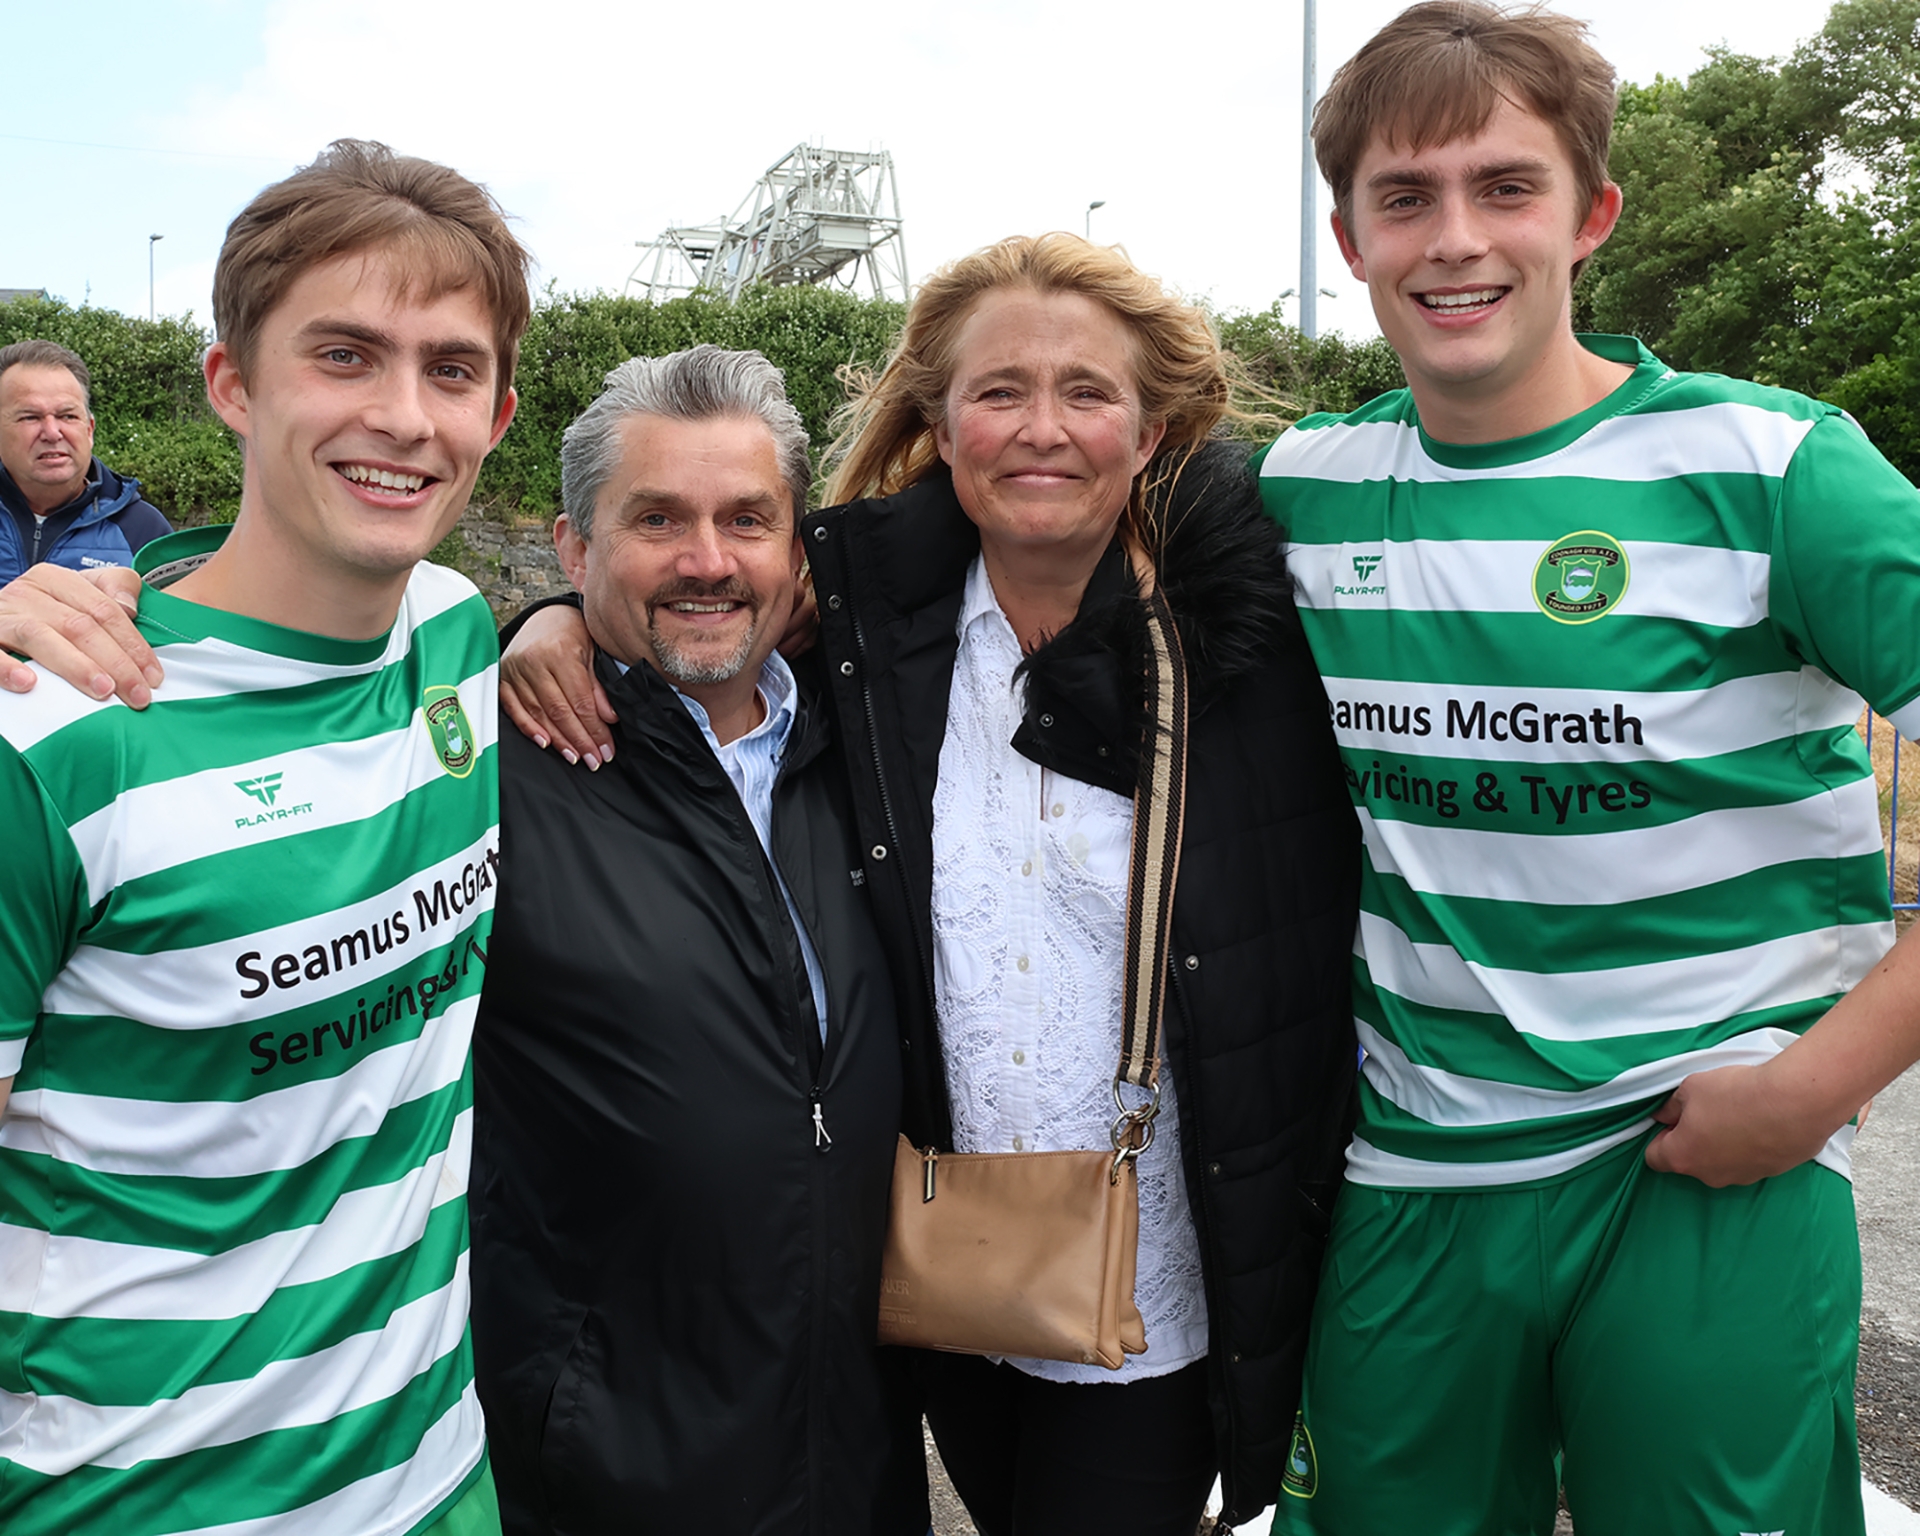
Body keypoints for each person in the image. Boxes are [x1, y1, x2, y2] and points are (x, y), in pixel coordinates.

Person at [499, 234, 1361, 1534]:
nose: (1041, 427)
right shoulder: (868, 640)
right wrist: (545, 623)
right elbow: (686, 620)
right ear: (942, 426)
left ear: (1150, 428)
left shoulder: (1259, 644)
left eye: (1086, 391)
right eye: (999, 390)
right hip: (940, 1273)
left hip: (1151, 1276)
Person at [1256, 5, 1920, 1534]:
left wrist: (1814, 1089)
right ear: (1349, 240)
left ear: (1592, 214)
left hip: (1707, 1169)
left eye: (1506, 186)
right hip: (1415, 1172)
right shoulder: (1301, 491)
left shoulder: (1775, 468)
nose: (1454, 238)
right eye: (1405, 197)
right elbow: (1022, 543)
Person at [0, 140, 526, 1535]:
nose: (403, 417)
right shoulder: (51, 731)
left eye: (451, 370)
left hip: (435, 1486)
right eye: (344, 355)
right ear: (233, 384)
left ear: (497, 415)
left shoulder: (460, 637)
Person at [469, 345, 926, 1534]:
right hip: (611, 1473)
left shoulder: (872, 746)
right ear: (574, 551)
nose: (709, 560)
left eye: (748, 520)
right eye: (657, 518)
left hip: (855, 1458)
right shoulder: (484, 777)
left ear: (798, 549)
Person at [0, 339, 172, 583]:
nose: (52, 433)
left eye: (68, 416)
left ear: (89, 430)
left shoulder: (143, 530)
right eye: (30, 417)